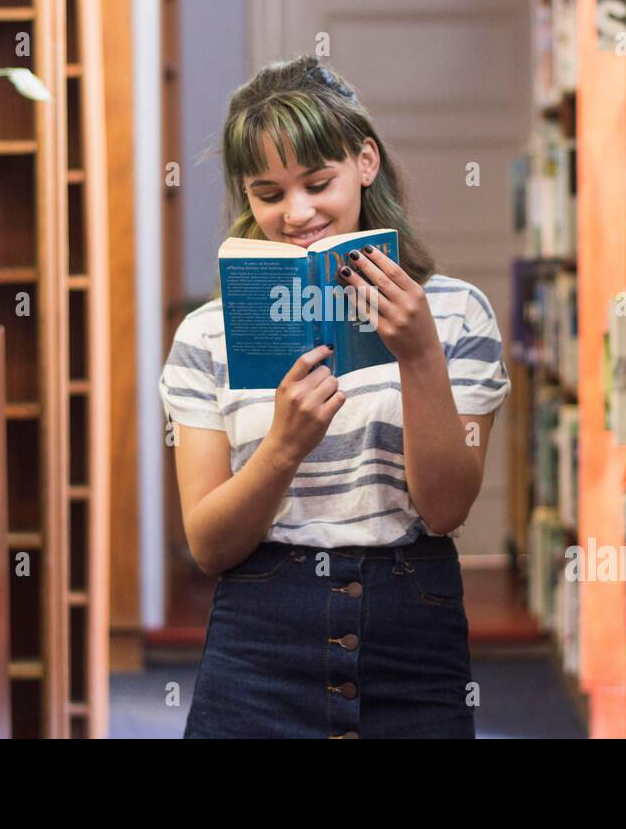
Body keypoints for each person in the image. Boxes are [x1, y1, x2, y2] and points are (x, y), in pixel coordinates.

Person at [158, 55, 510, 738]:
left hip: (412, 628)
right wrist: (283, 448)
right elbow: (207, 546)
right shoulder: (205, 336)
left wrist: (420, 357)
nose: (296, 213)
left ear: (366, 163)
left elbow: (445, 508)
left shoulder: (459, 314)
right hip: (259, 636)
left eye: (318, 183)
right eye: (267, 194)